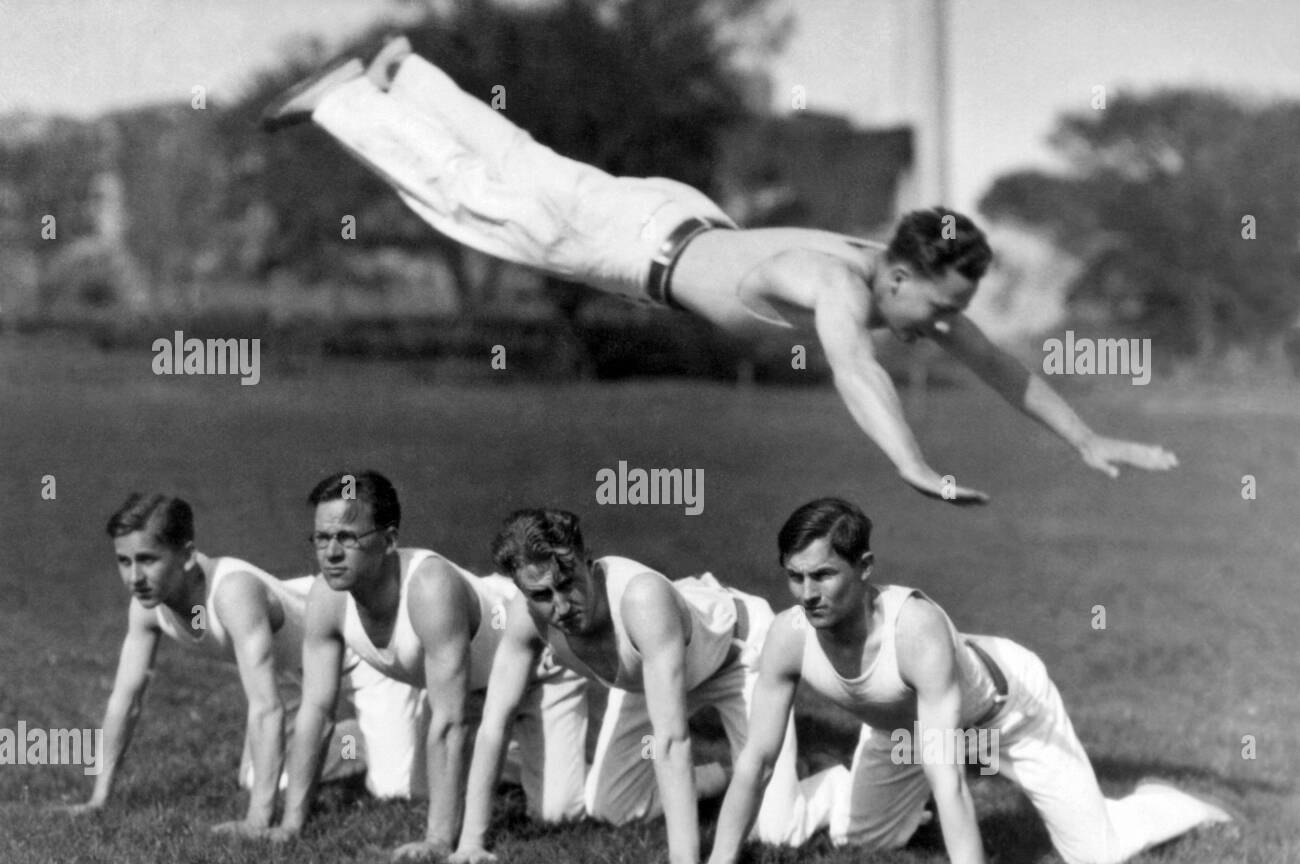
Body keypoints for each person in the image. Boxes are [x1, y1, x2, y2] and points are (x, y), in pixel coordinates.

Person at [261, 39, 1178, 505]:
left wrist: (1087, 438)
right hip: (640, 244)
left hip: (673, 215)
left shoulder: (889, 270)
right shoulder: (836, 286)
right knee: (480, 202)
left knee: (524, 165)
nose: (939, 328)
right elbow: (857, 371)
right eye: (937, 307)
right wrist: (912, 463)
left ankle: (411, 76)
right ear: (899, 277)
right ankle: (350, 96)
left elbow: (998, 363)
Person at [696, 497, 1235, 864]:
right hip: (902, 729)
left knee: (1097, 857)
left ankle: (1167, 802)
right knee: (858, 842)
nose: (807, 594)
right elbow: (757, 760)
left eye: (824, 575)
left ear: (864, 568)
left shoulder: (916, 631)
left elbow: (948, 779)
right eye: (795, 577)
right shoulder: (789, 638)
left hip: (1009, 716)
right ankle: (839, 785)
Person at [448, 508, 848, 864]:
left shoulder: (641, 602)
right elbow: (494, 723)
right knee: (611, 807)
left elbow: (672, 740)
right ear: (520, 589)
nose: (562, 605)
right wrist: (470, 843)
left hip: (738, 658)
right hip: (652, 671)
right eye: (542, 594)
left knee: (780, 832)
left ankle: (831, 780)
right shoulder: (527, 617)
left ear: (589, 562)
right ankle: (735, 772)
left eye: (568, 582)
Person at [262, 472, 590, 858]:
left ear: (389, 540)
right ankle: (498, 758)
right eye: (322, 537)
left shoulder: (430, 588)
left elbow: (449, 721)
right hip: (465, 693)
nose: (331, 553)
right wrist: (290, 825)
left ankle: (552, 748)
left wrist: (437, 840)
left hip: (538, 673)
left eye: (348, 537)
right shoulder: (325, 597)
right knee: (403, 788)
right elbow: (315, 710)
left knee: (559, 813)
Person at [62, 493, 424, 833]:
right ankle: (354, 738)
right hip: (293, 669)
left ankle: (433, 712)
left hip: (357, 654)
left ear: (187, 556)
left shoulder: (232, 593)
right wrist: (99, 798)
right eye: (124, 561)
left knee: (395, 788)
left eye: (148, 560)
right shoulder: (146, 607)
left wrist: (257, 820)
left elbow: (266, 709)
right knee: (261, 779)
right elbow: (126, 700)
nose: (134, 577)